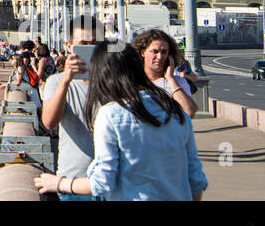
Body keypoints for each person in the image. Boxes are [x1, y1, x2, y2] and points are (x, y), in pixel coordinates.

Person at [33, 43, 208, 201]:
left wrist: (59, 183)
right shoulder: (175, 111)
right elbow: (196, 181)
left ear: (104, 75)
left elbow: (101, 183)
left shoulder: (111, 114)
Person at [40, 15, 104, 201]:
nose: (91, 49)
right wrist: (66, 80)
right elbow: (49, 122)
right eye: (83, 43)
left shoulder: (113, 82)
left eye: (96, 43)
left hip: (111, 183)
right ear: (69, 46)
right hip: (72, 183)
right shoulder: (56, 82)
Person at [132, 29, 198, 117]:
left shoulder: (178, 82)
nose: (159, 57)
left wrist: (170, 79)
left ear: (169, 56)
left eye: (164, 52)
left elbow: (189, 112)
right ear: (143, 52)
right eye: (154, 51)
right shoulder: (132, 82)